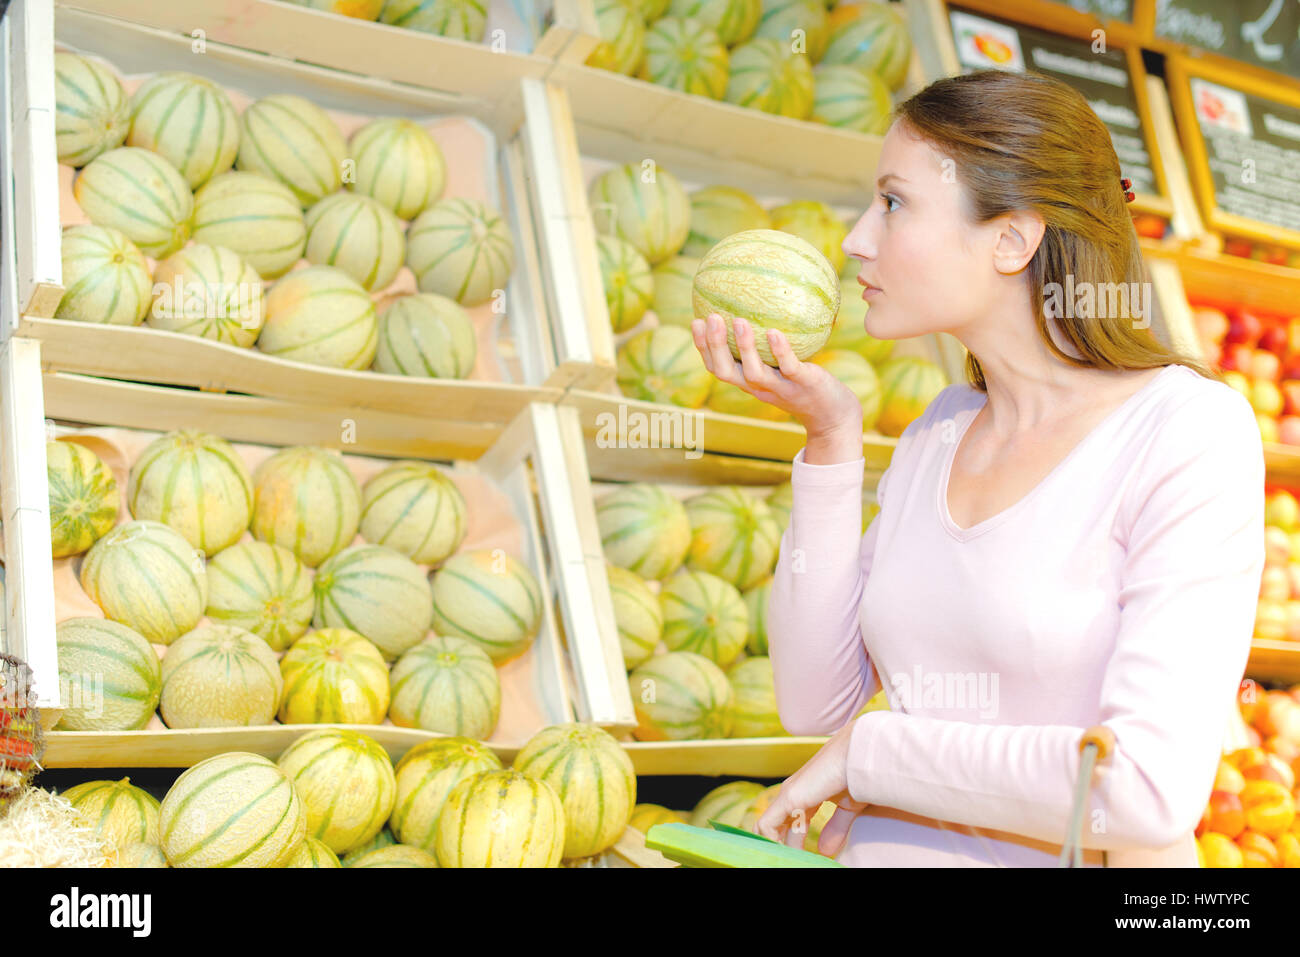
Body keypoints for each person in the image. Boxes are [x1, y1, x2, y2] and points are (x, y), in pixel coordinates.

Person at [690, 69, 1264, 867]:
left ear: (1011, 239)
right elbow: (814, 698)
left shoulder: (1185, 431)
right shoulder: (937, 432)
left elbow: (1139, 788)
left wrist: (876, 755)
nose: (858, 238)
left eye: (893, 203)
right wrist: (829, 438)